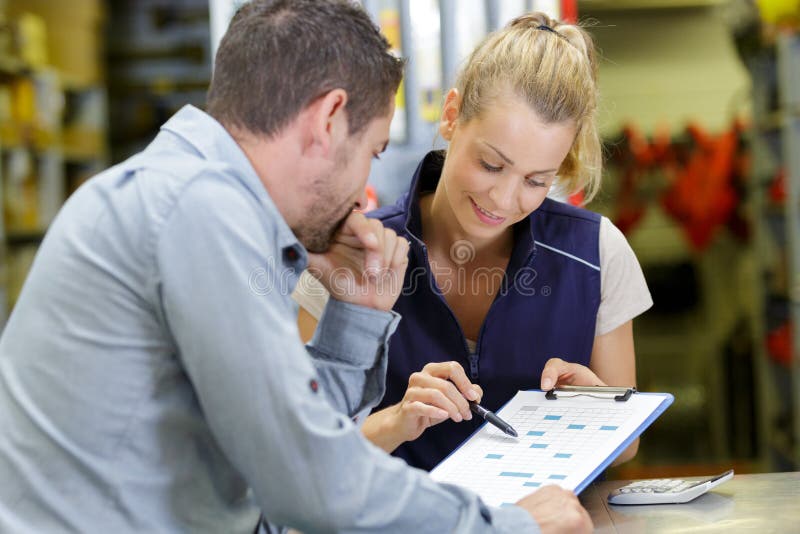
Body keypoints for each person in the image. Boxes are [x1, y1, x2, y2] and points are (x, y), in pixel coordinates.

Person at [0, 1, 592, 533]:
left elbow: (285, 448)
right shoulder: (198, 210)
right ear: (329, 118)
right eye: (372, 151)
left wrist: (356, 319)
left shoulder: (194, 198)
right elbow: (313, 486)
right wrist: (507, 525)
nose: (365, 193)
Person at [294, 12, 653, 471]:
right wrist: (396, 421)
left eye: (536, 181)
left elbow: (627, 448)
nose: (503, 199)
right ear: (450, 117)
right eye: (490, 164)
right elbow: (302, 455)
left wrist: (595, 411)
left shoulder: (597, 253)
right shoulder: (349, 254)